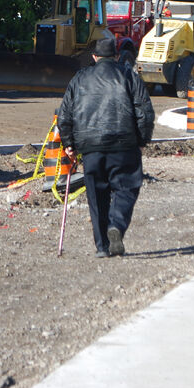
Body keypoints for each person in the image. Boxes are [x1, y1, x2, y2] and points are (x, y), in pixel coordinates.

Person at [56, 38, 154, 258]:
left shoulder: (79, 79)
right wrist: (141, 140)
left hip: (90, 148)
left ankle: (102, 247)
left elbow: (65, 114)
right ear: (117, 57)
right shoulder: (129, 76)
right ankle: (117, 225)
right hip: (123, 145)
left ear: (94, 57)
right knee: (127, 188)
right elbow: (144, 111)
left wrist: (69, 143)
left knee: (96, 197)